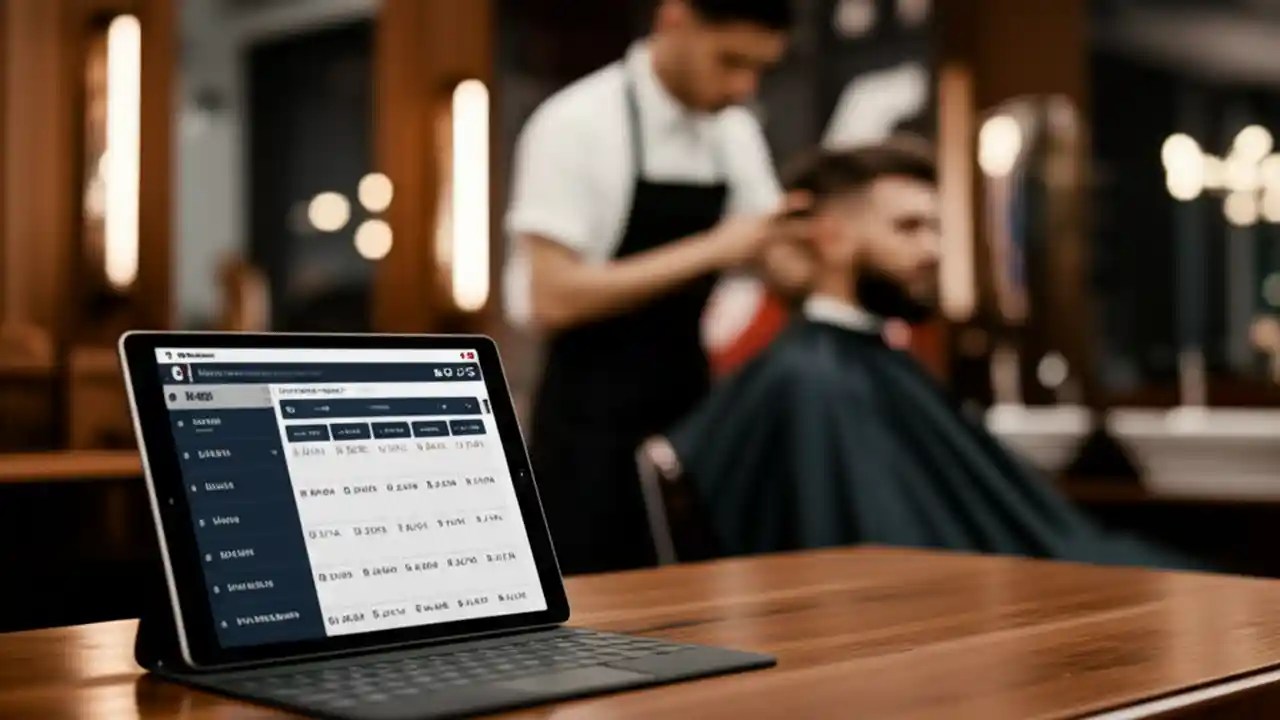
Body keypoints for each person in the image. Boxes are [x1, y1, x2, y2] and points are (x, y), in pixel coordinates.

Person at [664, 142, 1201, 569]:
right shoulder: (810, 380)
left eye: (938, 228)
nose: (934, 250)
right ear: (831, 237)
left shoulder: (870, 364)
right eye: (909, 227)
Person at [505, 0, 804, 574]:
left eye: (759, 69)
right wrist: (715, 248)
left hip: (690, 404)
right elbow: (553, 297)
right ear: (674, 20)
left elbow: (770, 252)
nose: (743, 86)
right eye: (730, 61)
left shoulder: (733, 130)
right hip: (588, 420)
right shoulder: (576, 123)